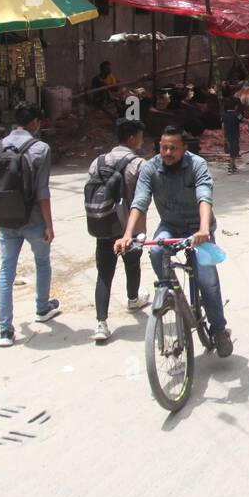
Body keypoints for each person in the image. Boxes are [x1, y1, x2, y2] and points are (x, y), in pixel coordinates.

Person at [115, 125, 232, 356]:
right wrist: (127, 235)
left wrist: (203, 228)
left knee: (207, 280)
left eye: (173, 148)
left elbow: (204, 196)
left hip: (198, 229)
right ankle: (173, 292)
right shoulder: (150, 168)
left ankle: (219, 330)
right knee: (157, 251)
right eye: (163, 147)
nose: (167, 153)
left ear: (184, 148)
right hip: (170, 226)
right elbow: (139, 201)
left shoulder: (197, 164)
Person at [0, 103, 59, 347]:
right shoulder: (41, 148)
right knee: (42, 262)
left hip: (6, 219)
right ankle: (42, 308)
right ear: (34, 123)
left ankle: (5, 330)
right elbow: (42, 191)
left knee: (6, 271)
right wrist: (49, 226)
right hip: (33, 220)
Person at [88, 119, 149, 342]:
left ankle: (101, 323)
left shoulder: (98, 161)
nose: (142, 140)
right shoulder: (138, 164)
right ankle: (133, 299)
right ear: (132, 138)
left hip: (103, 223)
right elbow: (143, 197)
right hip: (128, 227)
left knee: (104, 273)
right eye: (140, 136)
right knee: (132, 264)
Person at [221, 90, 243, 174]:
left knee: (231, 150)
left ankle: (233, 165)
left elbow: (223, 125)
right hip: (235, 135)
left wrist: (224, 136)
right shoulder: (237, 114)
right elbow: (243, 120)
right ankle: (231, 167)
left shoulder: (224, 115)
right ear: (236, 106)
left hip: (228, 135)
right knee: (233, 151)